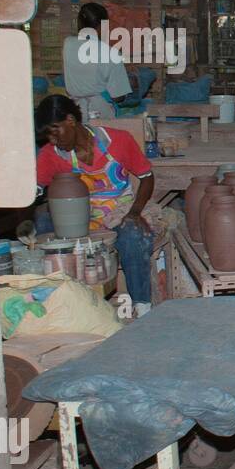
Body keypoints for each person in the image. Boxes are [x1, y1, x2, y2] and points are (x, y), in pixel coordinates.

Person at [34, 95, 156, 313]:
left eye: (55, 130)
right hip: (80, 218)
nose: (53, 140)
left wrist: (135, 212)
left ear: (71, 120)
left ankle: (142, 304)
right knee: (42, 218)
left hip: (117, 210)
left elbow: (147, 177)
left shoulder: (118, 141)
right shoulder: (50, 155)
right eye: (48, 135)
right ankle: (60, 300)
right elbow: (36, 189)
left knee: (132, 233)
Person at [62, 2, 138, 120]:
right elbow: (118, 96)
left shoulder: (68, 44)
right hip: (100, 113)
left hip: (74, 112)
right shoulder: (111, 53)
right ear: (103, 25)